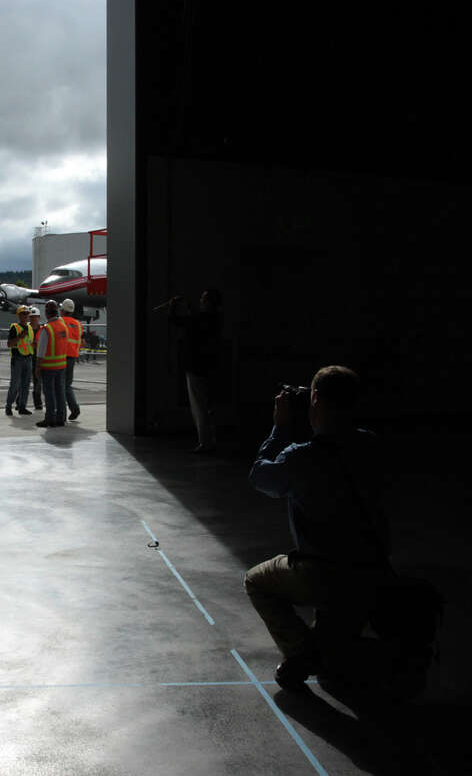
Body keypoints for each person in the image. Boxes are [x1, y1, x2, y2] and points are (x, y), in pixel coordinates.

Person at [243, 366, 391, 692]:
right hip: (372, 571)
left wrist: (279, 428)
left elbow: (260, 477)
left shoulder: (301, 457)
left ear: (315, 400)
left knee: (257, 581)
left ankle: (301, 651)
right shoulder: (372, 445)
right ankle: (331, 650)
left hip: (325, 575)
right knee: (335, 666)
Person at [168, 290, 223, 452]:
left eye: (203, 298)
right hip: (209, 366)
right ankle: (211, 440)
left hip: (195, 366)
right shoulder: (215, 319)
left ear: (207, 302)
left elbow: (177, 321)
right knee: (208, 405)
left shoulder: (199, 320)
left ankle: (205, 443)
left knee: (199, 406)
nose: (200, 300)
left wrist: (172, 307)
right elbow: (195, 319)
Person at [35, 300, 69, 427]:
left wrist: (37, 368)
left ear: (47, 313)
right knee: (60, 393)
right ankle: (60, 418)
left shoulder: (47, 329)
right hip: (61, 365)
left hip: (49, 367)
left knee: (49, 394)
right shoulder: (63, 325)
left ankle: (50, 418)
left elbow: (41, 351)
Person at [5, 306, 35, 416]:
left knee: (26, 385)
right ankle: (8, 406)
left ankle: (22, 407)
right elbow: (9, 344)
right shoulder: (15, 327)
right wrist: (19, 337)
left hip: (28, 358)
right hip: (18, 359)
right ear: (18, 315)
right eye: (23, 314)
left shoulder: (30, 328)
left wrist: (34, 345)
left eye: (27, 313)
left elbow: (30, 343)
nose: (25, 316)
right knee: (15, 384)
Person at [60, 298, 83, 421]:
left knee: (59, 385)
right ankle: (74, 408)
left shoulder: (60, 322)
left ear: (62, 310)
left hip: (60, 357)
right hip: (72, 357)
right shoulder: (78, 325)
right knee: (67, 385)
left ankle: (61, 411)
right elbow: (81, 341)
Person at [28, 307, 43, 410]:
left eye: (35, 317)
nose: (33, 319)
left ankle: (38, 403)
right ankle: (19, 401)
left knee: (38, 382)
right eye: (32, 317)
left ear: (39, 317)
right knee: (24, 381)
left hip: (38, 358)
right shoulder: (26, 328)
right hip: (28, 357)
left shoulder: (43, 329)